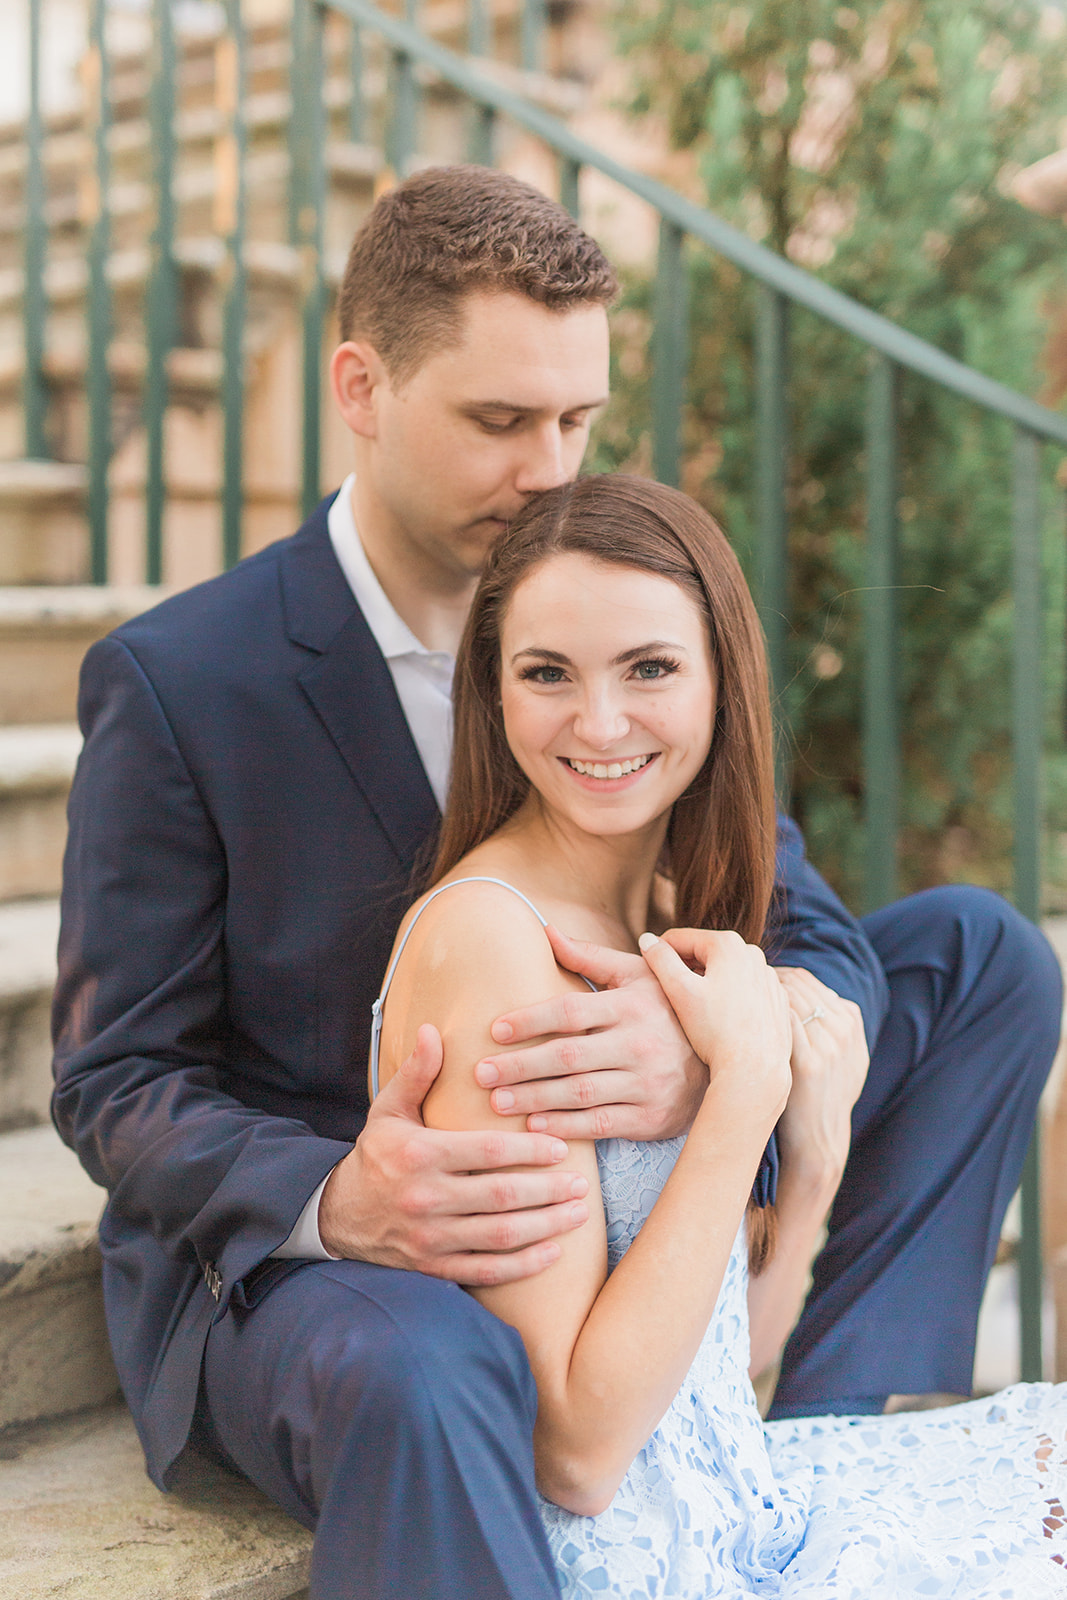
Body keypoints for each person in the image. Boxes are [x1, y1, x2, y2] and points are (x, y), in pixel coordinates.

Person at [51, 166, 1060, 1599]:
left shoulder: (609, 621)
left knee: (977, 958)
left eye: (577, 420)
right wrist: (343, 1194)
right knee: (433, 1360)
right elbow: (116, 1078)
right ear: (360, 387)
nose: (549, 469)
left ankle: (803, 1433)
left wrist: (720, 1040)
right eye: (499, 421)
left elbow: (801, 918)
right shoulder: (182, 681)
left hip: (622, 1162)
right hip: (345, 1251)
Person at [372, 470, 1067, 1596]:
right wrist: (744, 1082)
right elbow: (577, 1452)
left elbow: (725, 1376)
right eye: (546, 673)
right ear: (492, 693)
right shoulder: (492, 942)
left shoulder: (672, 906)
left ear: (720, 680)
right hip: (635, 1561)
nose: (600, 723)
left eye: (648, 668)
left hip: (736, 1502)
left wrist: (811, 1160)